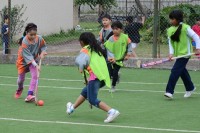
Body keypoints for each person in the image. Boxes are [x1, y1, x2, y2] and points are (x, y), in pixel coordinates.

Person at [66, 32, 120, 123]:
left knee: (92, 99)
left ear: (82, 42)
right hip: (103, 77)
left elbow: (80, 62)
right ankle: (72, 108)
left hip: (95, 77)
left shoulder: (85, 49)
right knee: (85, 91)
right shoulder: (97, 48)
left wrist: (81, 69)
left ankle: (111, 111)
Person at [164, 10, 200, 99]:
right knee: (181, 71)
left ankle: (169, 91)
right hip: (178, 55)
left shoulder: (185, 28)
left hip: (185, 54)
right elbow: (170, 43)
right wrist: (171, 53)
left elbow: (196, 37)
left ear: (177, 19)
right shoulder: (170, 30)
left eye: (172, 19)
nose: (171, 21)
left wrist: (198, 48)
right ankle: (190, 87)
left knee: (175, 71)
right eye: (170, 19)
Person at [15, 23, 47, 102]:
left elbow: (43, 46)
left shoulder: (39, 38)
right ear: (26, 33)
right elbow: (28, 57)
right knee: (20, 80)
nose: (33, 36)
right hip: (23, 61)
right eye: (31, 35)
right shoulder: (24, 42)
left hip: (33, 60)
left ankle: (29, 94)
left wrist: (43, 52)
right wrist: (36, 65)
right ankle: (19, 89)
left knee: (35, 76)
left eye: (34, 34)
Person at [104, 21, 135, 92]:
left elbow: (129, 46)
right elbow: (109, 49)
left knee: (115, 72)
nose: (115, 30)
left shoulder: (125, 37)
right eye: (113, 29)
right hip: (111, 58)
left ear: (121, 29)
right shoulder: (111, 38)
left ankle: (113, 86)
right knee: (110, 73)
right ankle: (117, 76)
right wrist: (111, 58)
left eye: (117, 29)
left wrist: (128, 54)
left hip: (120, 59)